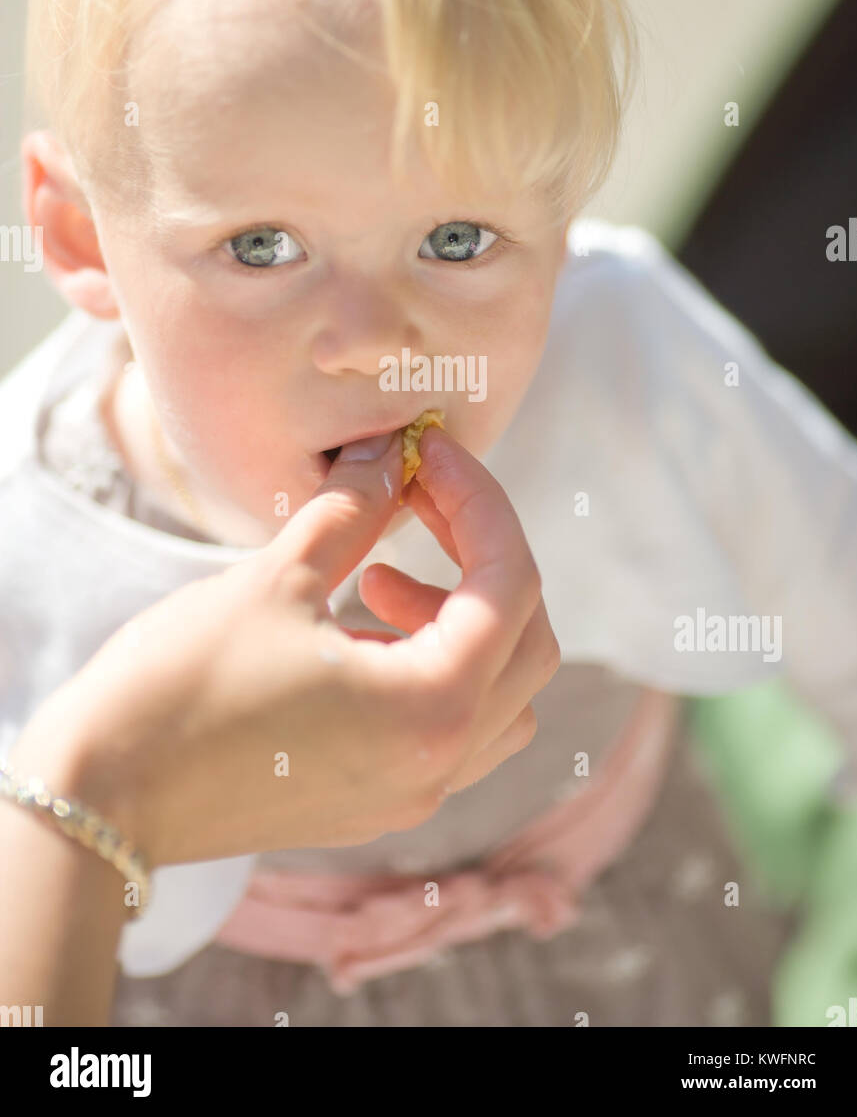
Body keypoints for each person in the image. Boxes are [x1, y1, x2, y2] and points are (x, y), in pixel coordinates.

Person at [2, 0, 857, 1027]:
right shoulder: (39, 530)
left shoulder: (628, 362)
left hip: (624, 954)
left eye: (457, 239)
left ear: (564, 218)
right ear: (79, 239)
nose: (379, 341)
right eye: (260, 246)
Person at [0, 422, 557, 1025]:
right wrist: (111, 791)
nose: (373, 346)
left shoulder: (615, 401)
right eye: (257, 315)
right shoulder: (33, 533)